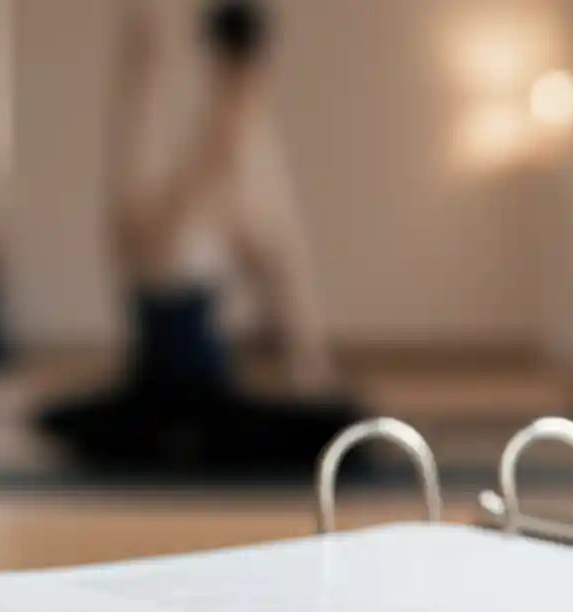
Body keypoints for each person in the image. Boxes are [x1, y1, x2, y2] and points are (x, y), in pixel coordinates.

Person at [39, 0, 361, 471]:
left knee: (193, 180)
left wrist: (311, 370)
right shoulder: (168, 212)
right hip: (168, 387)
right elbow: (171, 151)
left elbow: (277, 262)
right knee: (172, 194)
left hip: (193, 386)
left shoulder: (226, 167)